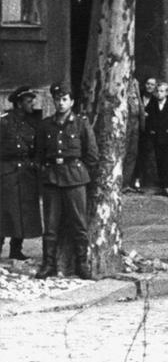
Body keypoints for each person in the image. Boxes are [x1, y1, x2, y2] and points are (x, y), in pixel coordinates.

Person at [33, 82, 98, 280]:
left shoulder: (81, 124)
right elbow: (39, 154)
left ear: (72, 102)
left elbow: (92, 155)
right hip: (52, 179)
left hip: (75, 179)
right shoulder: (45, 125)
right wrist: (45, 172)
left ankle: (82, 264)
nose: (60, 103)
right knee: (50, 227)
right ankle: (48, 264)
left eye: (64, 99)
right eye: (57, 99)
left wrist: (81, 174)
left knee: (79, 225)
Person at [0, 87, 43, 260]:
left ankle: (16, 249)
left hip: (26, 174)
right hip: (7, 173)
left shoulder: (31, 124)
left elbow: (36, 150)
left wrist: (34, 165)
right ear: (19, 103)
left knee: (23, 212)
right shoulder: (3, 122)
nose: (32, 104)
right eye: (28, 101)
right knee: (4, 212)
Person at [126, 76, 158, 193]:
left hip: (147, 133)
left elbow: (157, 116)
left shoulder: (155, 101)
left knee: (142, 157)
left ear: (155, 87)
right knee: (130, 154)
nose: (149, 86)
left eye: (152, 84)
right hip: (135, 130)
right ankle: (127, 180)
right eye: (148, 84)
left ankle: (137, 180)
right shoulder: (138, 97)